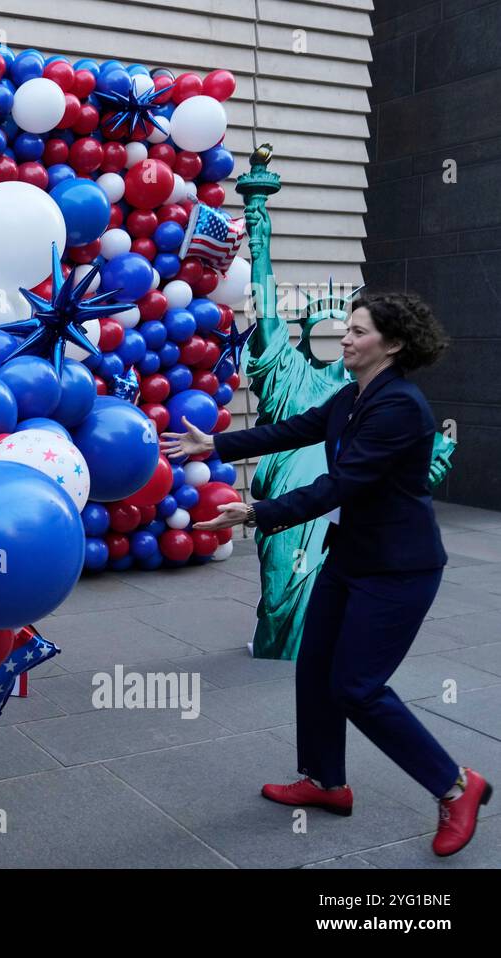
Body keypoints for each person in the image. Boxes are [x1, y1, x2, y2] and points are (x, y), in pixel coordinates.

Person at [161, 292, 490, 857]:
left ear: (393, 344)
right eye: (348, 329)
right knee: (313, 667)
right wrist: (214, 442)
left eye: (358, 332)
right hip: (352, 558)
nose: (345, 339)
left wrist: (261, 512)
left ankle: (456, 784)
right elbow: (291, 430)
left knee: (356, 687)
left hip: (399, 570)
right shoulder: (352, 396)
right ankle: (325, 781)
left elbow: (342, 484)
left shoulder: (400, 407)